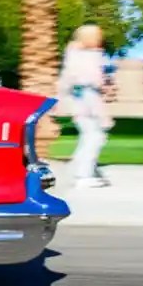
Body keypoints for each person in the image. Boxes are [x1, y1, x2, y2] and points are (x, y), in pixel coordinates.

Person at [57, 24, 113, 189]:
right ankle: (83, 174)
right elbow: (86, 78)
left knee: (90, 136)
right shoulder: (84, 55)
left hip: (83, 96)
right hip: (86, 96)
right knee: (94, 137)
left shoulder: (75, 53)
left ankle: (78, 172)